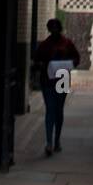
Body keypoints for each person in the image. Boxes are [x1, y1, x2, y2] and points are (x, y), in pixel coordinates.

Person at [33, 17, 80, 156]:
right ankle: (49, 142)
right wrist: (41, 65)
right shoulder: (45, 45)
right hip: (48, 79)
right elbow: (36, 61)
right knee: (50, 110)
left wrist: (69, 64)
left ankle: (57, 139)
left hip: (61, 78)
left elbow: (76, 58)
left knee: (58, 110)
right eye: (51, 28)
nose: (53, 31)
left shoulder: (66, 43)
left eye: (55, 28)